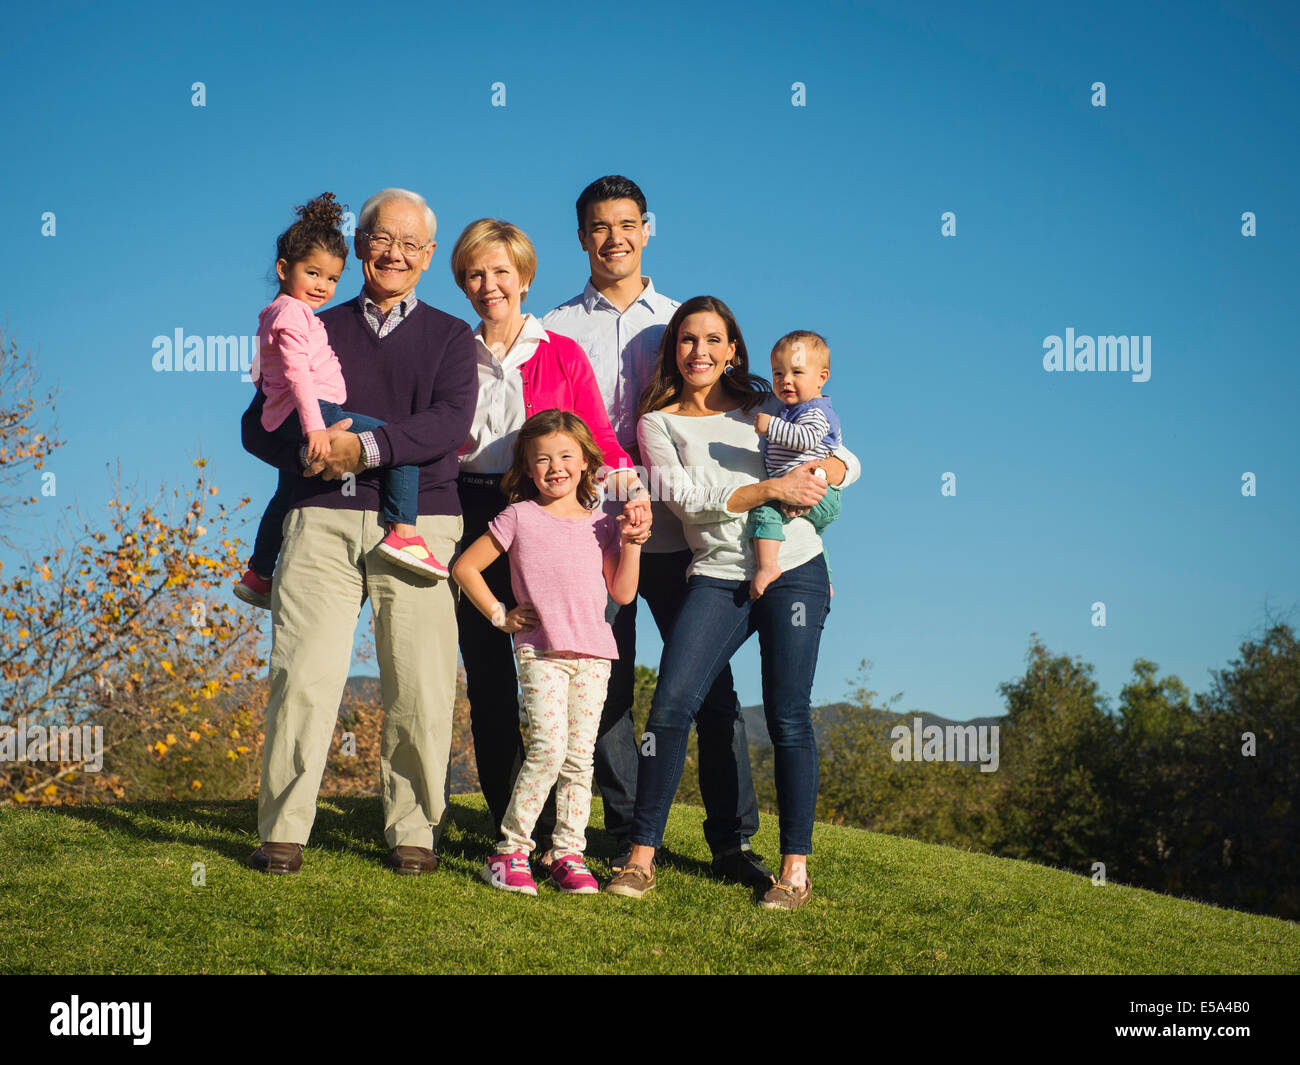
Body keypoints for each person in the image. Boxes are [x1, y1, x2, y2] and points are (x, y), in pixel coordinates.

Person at [240, 187, 477, 876]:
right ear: (360, 243)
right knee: (303, 675)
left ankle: (414, 831)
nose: (394, 253)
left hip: (422, 520)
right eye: (381, 239)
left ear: (428, 256)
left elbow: (448, 424)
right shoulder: (309, 323)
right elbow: (258, 424)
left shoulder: (451, 337)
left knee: (420, 684)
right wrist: (312, 452)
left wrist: (366, 450)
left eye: (410, 244)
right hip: (321, 515)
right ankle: (283, 831)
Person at [542, 176, 767, 885]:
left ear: (648, 229)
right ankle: (624, 830)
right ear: (582, 237)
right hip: (589, 534)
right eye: (599, 226)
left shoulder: (681, 324)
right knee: (603, 686)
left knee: (710, 690)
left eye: (627, 224)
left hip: (685, 537)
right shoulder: (554, 328)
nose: (614, 238)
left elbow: (736, 422)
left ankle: (731, 840)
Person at [605, 296, 858, 910]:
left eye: (713, 340)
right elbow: (687, 501)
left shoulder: (763, 406)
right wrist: (773, 487)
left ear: (733, 350)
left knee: (788, 715)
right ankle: (641, 858)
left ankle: (793, 872)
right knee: (671, 705)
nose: (700, 351)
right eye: (688, 339)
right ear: (674, 350)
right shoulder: (658, 423)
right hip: (717, 575)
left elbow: (843, 454)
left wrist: (827, 470)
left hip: (795, 567)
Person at [449, 218, 650, 851]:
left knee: (580, 658)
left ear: (525, 278)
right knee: (489, 672)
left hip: (548, 511)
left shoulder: (561, 352)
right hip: (468, 509)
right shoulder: (452, 355)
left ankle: (603, 829)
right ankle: (513, 828)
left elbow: (599, 441)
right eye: (475, 274)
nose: (489, 285)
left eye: (501, 272)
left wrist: (634, 491)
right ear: (463, 283)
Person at [453, 410, 642, 895]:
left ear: (585, 462)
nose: (555, 467)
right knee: (548, 749)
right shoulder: (518, 516)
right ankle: (509, 852)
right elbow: (465, 567)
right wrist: (500, 615)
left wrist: (633, 543)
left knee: (579, 759)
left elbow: (622, 593)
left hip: (595, 656)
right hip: (541, 653)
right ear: (526, 468)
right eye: (542, 459)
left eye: (565, 456)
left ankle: (566, 854)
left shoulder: (604, 524)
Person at [235, 193, 447, 612]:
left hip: (290, 415)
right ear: (283, 269)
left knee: (284, 492)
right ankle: (404, 533)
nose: (322, 286)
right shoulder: (297, 315)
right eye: (312, 273)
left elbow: (261, 369)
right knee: (396, 443)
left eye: (331, 279)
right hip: (316, 414)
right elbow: (297, 373)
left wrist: (279, 406)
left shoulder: (274, 313)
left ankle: (258, 573)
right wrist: (314, 428)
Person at [748, 330, 842, 598]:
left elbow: (806, 439)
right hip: (813, 491)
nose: (785, 380)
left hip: (818, 491)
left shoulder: (815, 411)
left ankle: (768, 566)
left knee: (764, 511)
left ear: (822, 378)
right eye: (778, 373)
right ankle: (827, 580)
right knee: (811, 535)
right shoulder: (792, 409)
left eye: (797, 372)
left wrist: (771, 427)